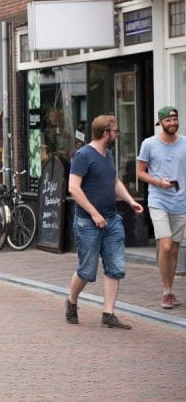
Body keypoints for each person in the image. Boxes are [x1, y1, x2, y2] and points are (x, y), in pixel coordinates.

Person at [66, 115, 143, 330]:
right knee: (87, 271)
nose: (118, 133)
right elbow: (74, 188)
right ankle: (71, 301)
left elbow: (114, 181)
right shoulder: (83, 155)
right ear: (106, 133)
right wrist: (93, 213)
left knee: (115, 267)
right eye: (116, 130)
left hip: (111, 220)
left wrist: (130, 201)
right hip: (88, 222)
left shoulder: (108, 154)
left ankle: (108, 314)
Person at [136, 106, 185, 309]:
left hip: (181, 201)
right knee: (165, 246)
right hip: (158, 200)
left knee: (174, 249)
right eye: (168, 120)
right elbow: (140, 172)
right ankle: (166, 292)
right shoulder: (149, 144)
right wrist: (157, 182)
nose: (172, 123)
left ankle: (170, 291)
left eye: (175, 119)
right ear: (160, 123)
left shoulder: (184, 143)